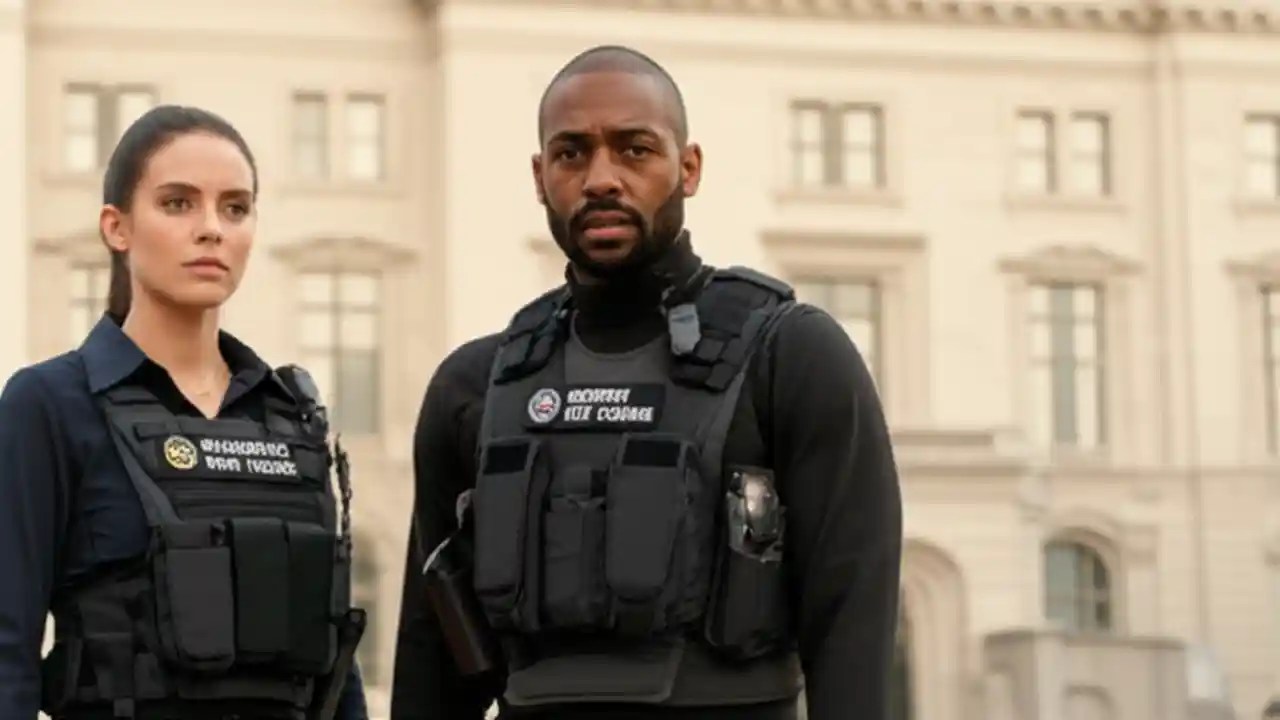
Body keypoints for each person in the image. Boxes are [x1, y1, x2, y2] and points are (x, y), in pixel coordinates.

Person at [390, 45, 902, 720]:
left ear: (687, 169)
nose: (601, 178)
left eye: (635, 150)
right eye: (572, 154)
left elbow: (853, 634)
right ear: (540, 177)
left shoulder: (793, 355)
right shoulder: (476, 385)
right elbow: (431, 663)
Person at [0, 105, 369, 720]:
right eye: (178, 204)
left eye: (235, 208)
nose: (212, 229)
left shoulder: (293, 418)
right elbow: (5, 648)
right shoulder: (49, 405)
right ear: (117, 228)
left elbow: (336, 667)